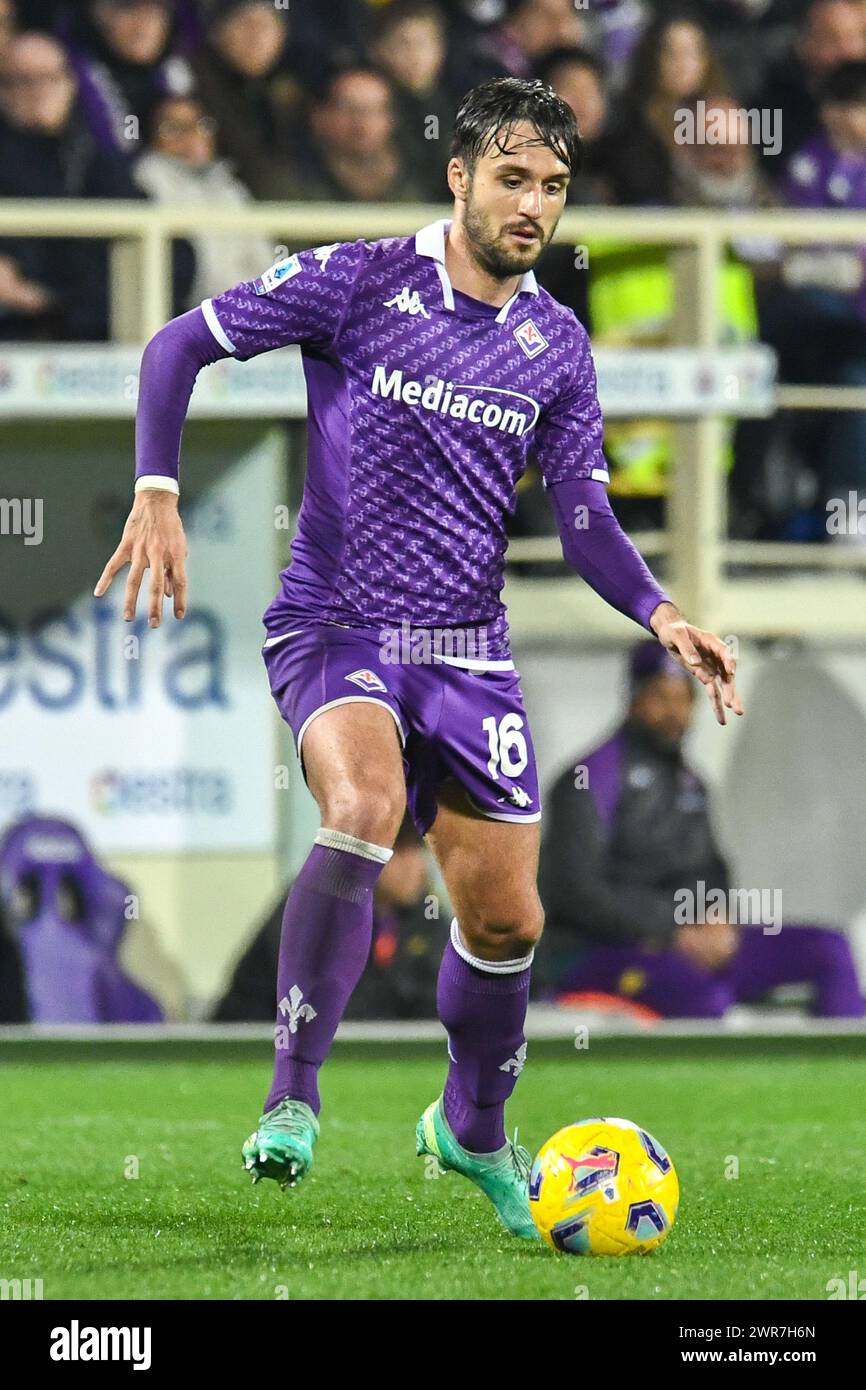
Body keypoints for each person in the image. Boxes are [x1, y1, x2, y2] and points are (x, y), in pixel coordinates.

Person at [93, 76, 741, 1241]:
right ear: (457, 176)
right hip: (336, 623)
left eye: (551, 185)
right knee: (362, 802)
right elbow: (178, 344)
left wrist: (657, 612)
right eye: (511, 178)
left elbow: (585, 516)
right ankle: (293, 1097)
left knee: (506, 925)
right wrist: (156, 489)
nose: (532, 204)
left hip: (467, 651)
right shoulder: (359, 278)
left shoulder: (555, 346)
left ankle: (471, 1130)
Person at [539, 642, 864, 1018]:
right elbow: (576, 893)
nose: (673, 713)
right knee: (699, 994)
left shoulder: (693, 784)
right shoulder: (588, 779)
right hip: (601, 950)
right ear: (633, 698)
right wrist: (673, 930)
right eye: (661, 697)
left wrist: (715, 924)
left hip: (688, 942)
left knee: (827, 950)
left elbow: (712, 871)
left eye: (683, 700)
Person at [213, 818, 441, 1022]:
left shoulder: (419, 911)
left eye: (418, 849)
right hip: (247, 1053)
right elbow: (339, 1013)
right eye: (401, 851)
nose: (417, 866)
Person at [0, 31, 148, 340]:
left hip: (99, 337)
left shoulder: (94, 157)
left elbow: (178, 259)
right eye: (24, 80)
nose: (39, 91)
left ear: (70, 83)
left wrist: (54, 294)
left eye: (50, 77)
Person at [134, 94, 274, 306]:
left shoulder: (229, 186)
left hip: (246, 315)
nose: (191, 135)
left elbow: (263, 260)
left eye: (201, 124)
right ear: (151, 136)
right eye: (172, 127)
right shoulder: (148, 180)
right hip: (189, 318)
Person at [757, 0, 866, 181]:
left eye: (857, 37)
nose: (848, 51)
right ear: (805, 44)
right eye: (832, 38)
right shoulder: (773, 107)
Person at [290, 64, 427, 203]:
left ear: (391, 119)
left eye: (374, 110)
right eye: (347, 109)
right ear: (319, 116)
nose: (362, 122)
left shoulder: (421, 174)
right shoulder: (293, 181)